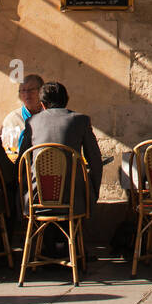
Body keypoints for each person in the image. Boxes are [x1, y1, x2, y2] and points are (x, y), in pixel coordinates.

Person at [23, 81, 106, 211]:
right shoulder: (81, 120)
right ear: (66, 100)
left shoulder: (32, 122)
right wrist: (92, 194)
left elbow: (22, 162)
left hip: (37, 199)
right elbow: (95, 161)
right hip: (74, 199)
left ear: (43, 105)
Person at [0, 75, 43, 150]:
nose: (27, 94)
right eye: (23, 91)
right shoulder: (12, 119)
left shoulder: (49, 117)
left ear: (41, 91)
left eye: (31, 90)